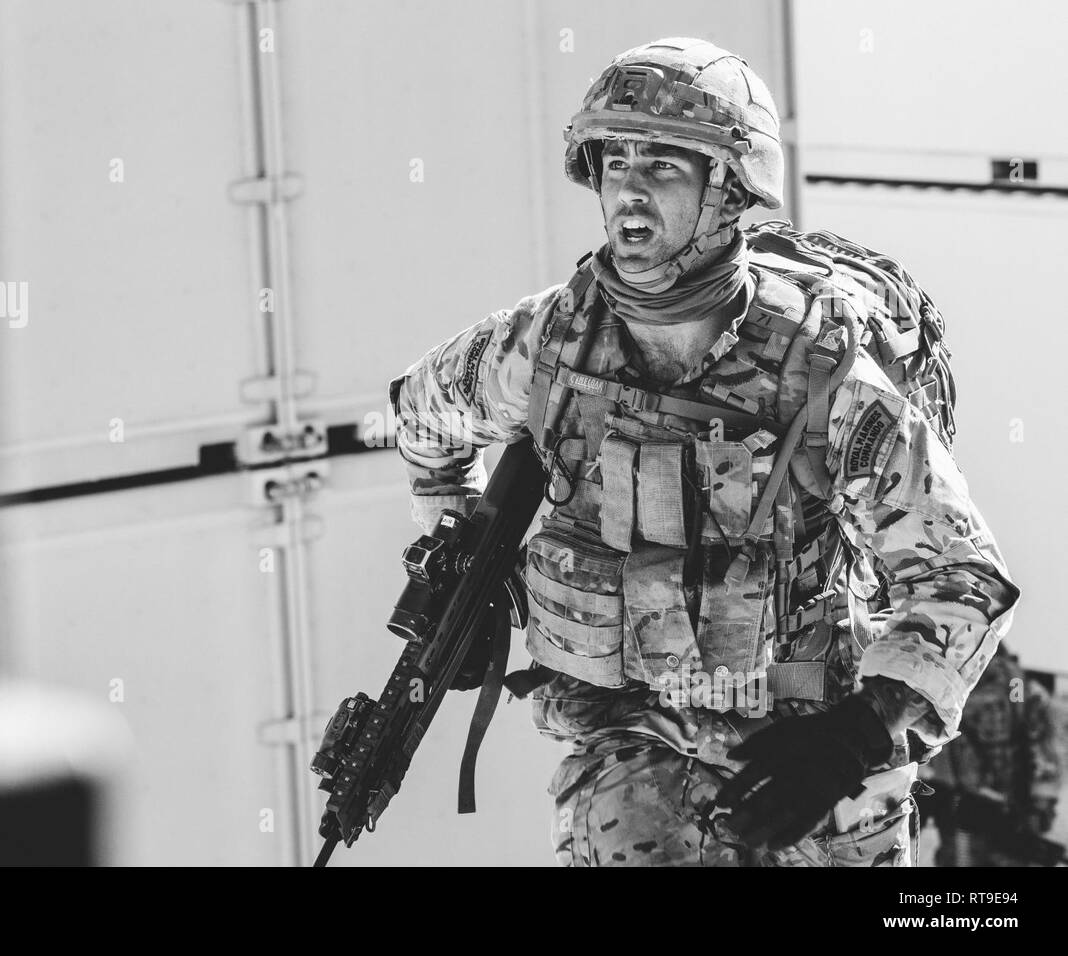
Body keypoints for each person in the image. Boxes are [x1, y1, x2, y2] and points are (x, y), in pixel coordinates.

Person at [388, 37, 1020, 866]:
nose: (630, 188)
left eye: (665, 165)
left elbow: (962, 580)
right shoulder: (548, 345)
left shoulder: (818, 371)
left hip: (807, 747)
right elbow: (422, 418)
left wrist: (858, 735)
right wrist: (464, 562)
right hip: (628, 747)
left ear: (729, 190)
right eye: (616, 160)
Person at [922, 643, 1061, 866]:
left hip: (1002, 814)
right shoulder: (1013, 685)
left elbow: (1038, 742)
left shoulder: (1014, 686)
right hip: (965, 811)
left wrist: (1040, 806)